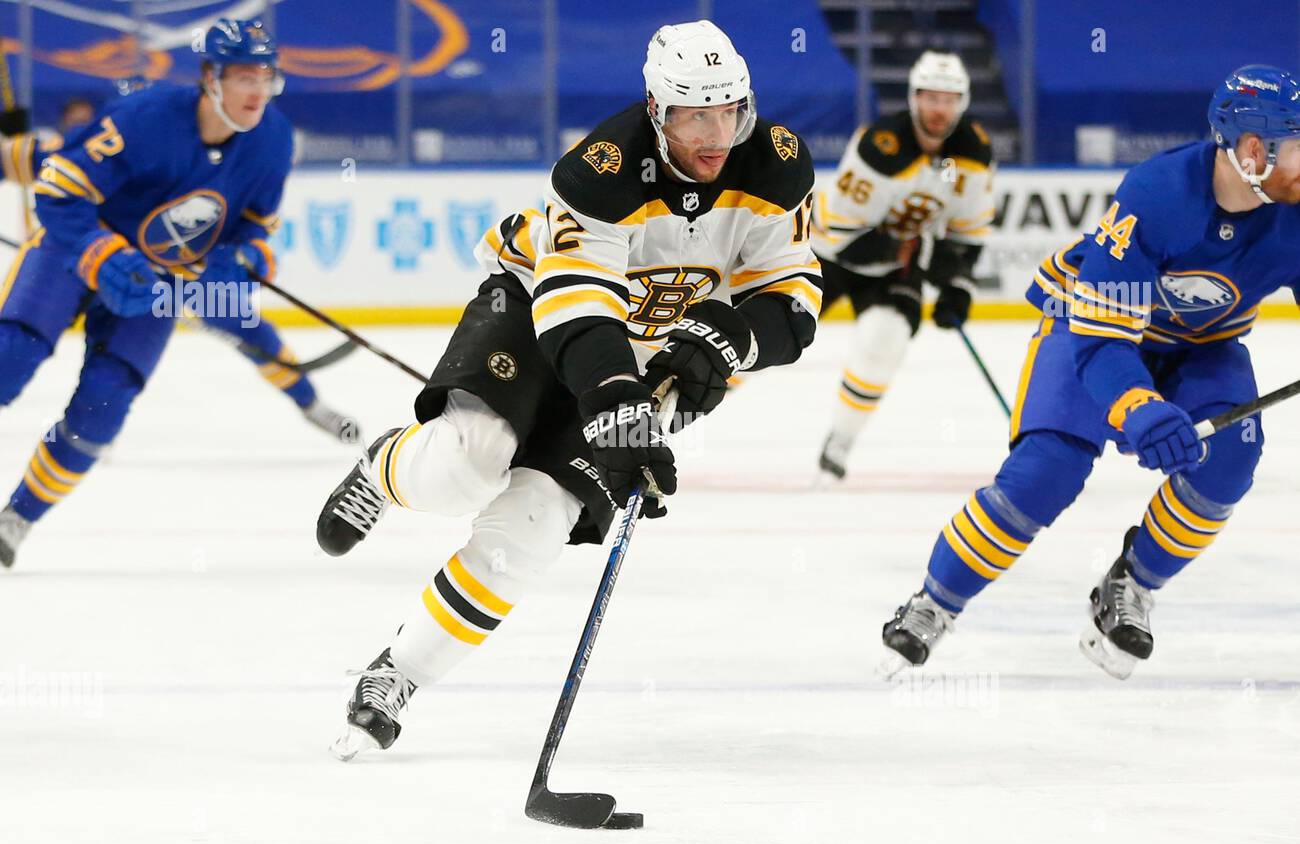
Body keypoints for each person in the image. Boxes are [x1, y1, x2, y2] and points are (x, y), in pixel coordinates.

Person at [316, 19, 823, 759]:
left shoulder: (776, 166)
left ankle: (398, 673)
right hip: (534, 312)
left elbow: (793, 299)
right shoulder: (602, 168)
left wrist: (722, 345)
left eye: (730, 110)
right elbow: (576, 308)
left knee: (532, 527)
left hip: (648, 359)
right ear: (657, 110)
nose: (716, 133)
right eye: (693, 114)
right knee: (469, 462)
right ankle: (385, 466)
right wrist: (619, 407)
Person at [877, 65, 1300, 680]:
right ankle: (934, 604)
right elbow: (1102, 337)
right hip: (1090, 331)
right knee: (1046, 471)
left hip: (1202, 346)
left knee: (1232, 456)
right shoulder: (1160, 194)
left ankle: (1131, 583)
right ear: (1253, 150)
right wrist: (1138, 407)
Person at [0, 18, 349, 569]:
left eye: (266, 75)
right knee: (9, 361)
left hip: (159, 282)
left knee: (103, 408)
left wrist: (242, 261)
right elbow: (59, 187)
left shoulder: (274, 139)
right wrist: (100, 254)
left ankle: (16, 519)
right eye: (242, 76)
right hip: (73, 251)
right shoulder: (144, 118)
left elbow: (258, 228)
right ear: (210, 77)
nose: (258, 89)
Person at [812, 50, 995, 479]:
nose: (939, 108)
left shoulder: (970, 152)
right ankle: (675, 412)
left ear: (963, 103)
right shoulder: (882, 146)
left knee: (886, 339)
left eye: (949, 99)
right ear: (914, 98)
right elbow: (844, 235)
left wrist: (956, 285)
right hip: (829, 254)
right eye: (931, 97)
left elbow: (967, 231)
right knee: (759, 338)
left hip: (896, 264)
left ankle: (839, 443)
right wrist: (908, 251)